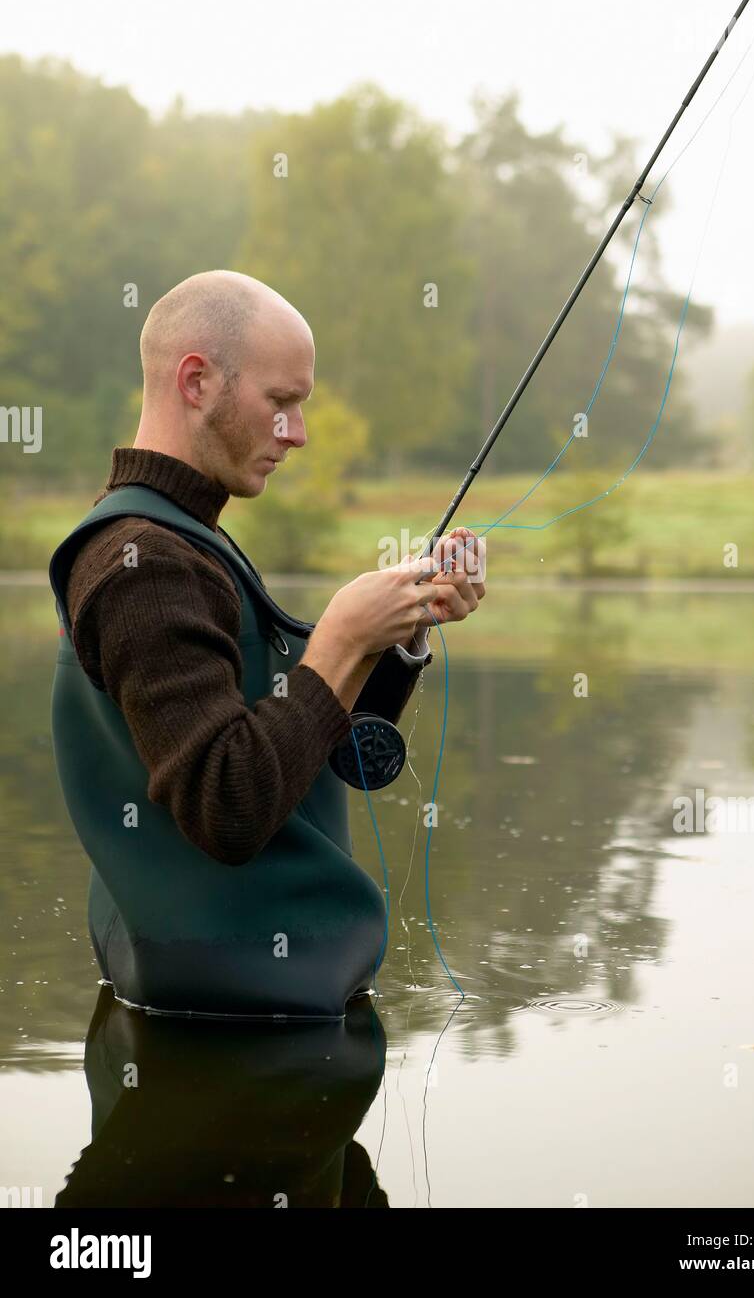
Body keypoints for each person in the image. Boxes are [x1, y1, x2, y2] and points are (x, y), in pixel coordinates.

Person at [49, 270, 486, 1020]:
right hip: (229, 1015)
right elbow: (229, 804)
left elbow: (306, 741)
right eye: (280, 403)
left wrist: (399, 630)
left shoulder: (186, 539)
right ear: (197, 381)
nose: (299, 432)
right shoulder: (142, 562)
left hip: (251, 998)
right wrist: (341, 637)